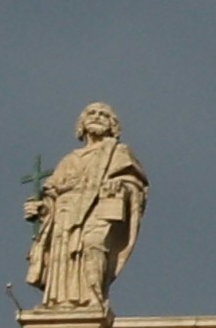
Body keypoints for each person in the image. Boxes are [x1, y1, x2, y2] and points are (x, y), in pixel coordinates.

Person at [22, 103, 148, 311]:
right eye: (91, 113)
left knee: (93, 245)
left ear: (112, 125)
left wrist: (121, 185)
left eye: (103, 115)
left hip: (99, 209)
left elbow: (134, 183)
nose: (97, 117)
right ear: (81, 123)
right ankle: (60, 302)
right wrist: (40, 208)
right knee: (62, 254)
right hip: (65, 214)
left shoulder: (118, 152)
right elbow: (52, 195)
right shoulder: (69, 160)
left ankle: (92, 298)